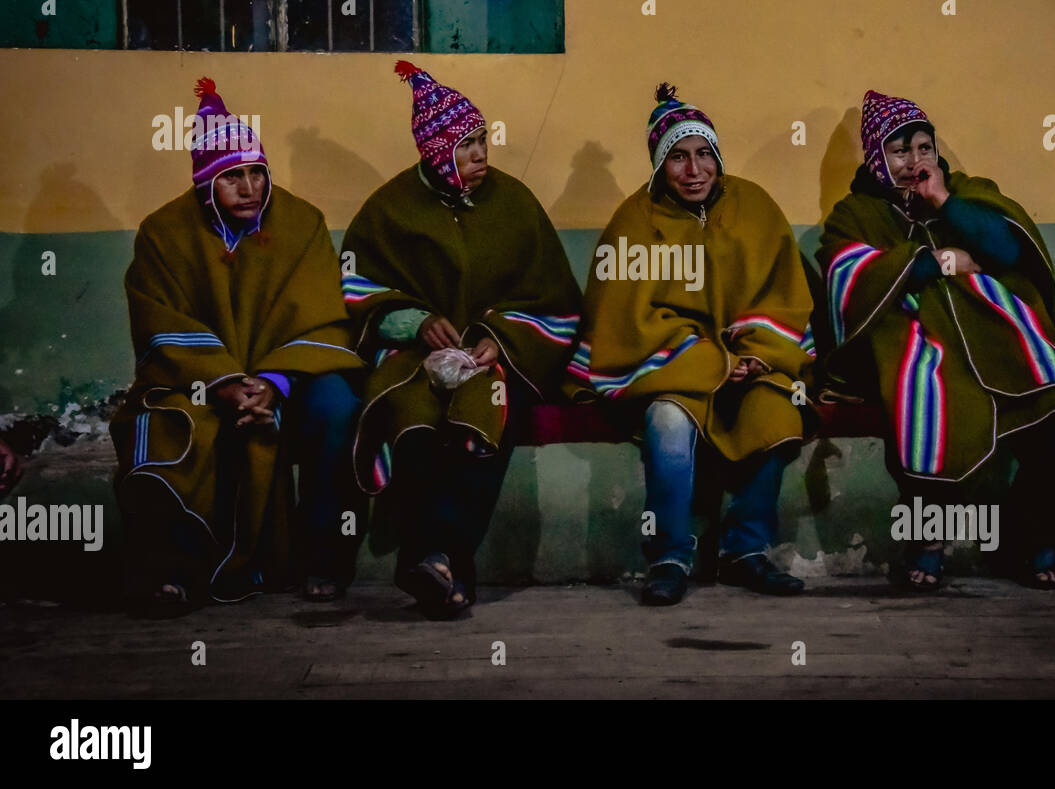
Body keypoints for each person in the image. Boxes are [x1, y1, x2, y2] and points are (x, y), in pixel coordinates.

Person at [816, 90, 1055, 590]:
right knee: (925, 402)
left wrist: (943, 202)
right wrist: (944, 261)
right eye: (899, 150)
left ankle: (1034, 538)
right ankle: (927, 541)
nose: (916, 161)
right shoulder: (858, 213)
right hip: (916, 337)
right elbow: (847, 275)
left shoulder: (968, 193)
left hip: (998, 334)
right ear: (876, 157)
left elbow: (1007, 250)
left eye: (924, 147)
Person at [110, 78, 365, 609]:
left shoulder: (301, 223)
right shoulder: (163, 233)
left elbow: (320, 321)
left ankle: (325, 561)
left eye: (257, 173)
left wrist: (273, 382)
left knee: (338, 405)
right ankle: (175, 570)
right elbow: (158, 320)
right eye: (232, 177)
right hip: (196, 379)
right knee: (161, 423)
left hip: (285, 378)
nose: (250, 188)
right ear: (206, 185)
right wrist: (223, 379)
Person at [342, 61, 581, 619]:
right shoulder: (389, 211)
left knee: (488, 421)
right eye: (464, 146)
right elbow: (357, 287)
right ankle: (447, 567)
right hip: (411, 359)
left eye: (481, 142)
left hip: (498, 359)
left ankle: (430, 559)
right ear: (432, 151)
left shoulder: (515, 203)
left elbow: (555, 299)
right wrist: (415, 322)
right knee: (414, 420)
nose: (479, 157)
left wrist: (500, 339)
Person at [568, 83, 816, 606]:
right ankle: (669, 556)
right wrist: (712, 362)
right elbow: (626, 321)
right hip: (672, 368)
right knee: (667, 424)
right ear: (660, 165)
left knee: (778, 415)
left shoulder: (757, 208)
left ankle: (744, 551)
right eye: (678, 157)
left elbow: (783, 296)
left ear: (718, 157)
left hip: (752, 360)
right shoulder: (633, 224)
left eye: (704, 154)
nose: (694, 169)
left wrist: (751, 356)